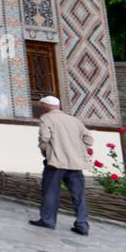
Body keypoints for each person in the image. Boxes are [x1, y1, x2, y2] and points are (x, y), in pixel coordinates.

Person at [31, 95, 94, 235]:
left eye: (43, 106)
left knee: (50, 192)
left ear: (47, 106)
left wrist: (43, 149)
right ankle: (82, 224)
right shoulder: (74, 120)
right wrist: (77, 147)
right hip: (75, 163)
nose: (43, 108)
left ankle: (47, 221)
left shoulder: (46, 118)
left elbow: (45, 137)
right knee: (79, 195)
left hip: (56, 162)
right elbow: (89, 139)